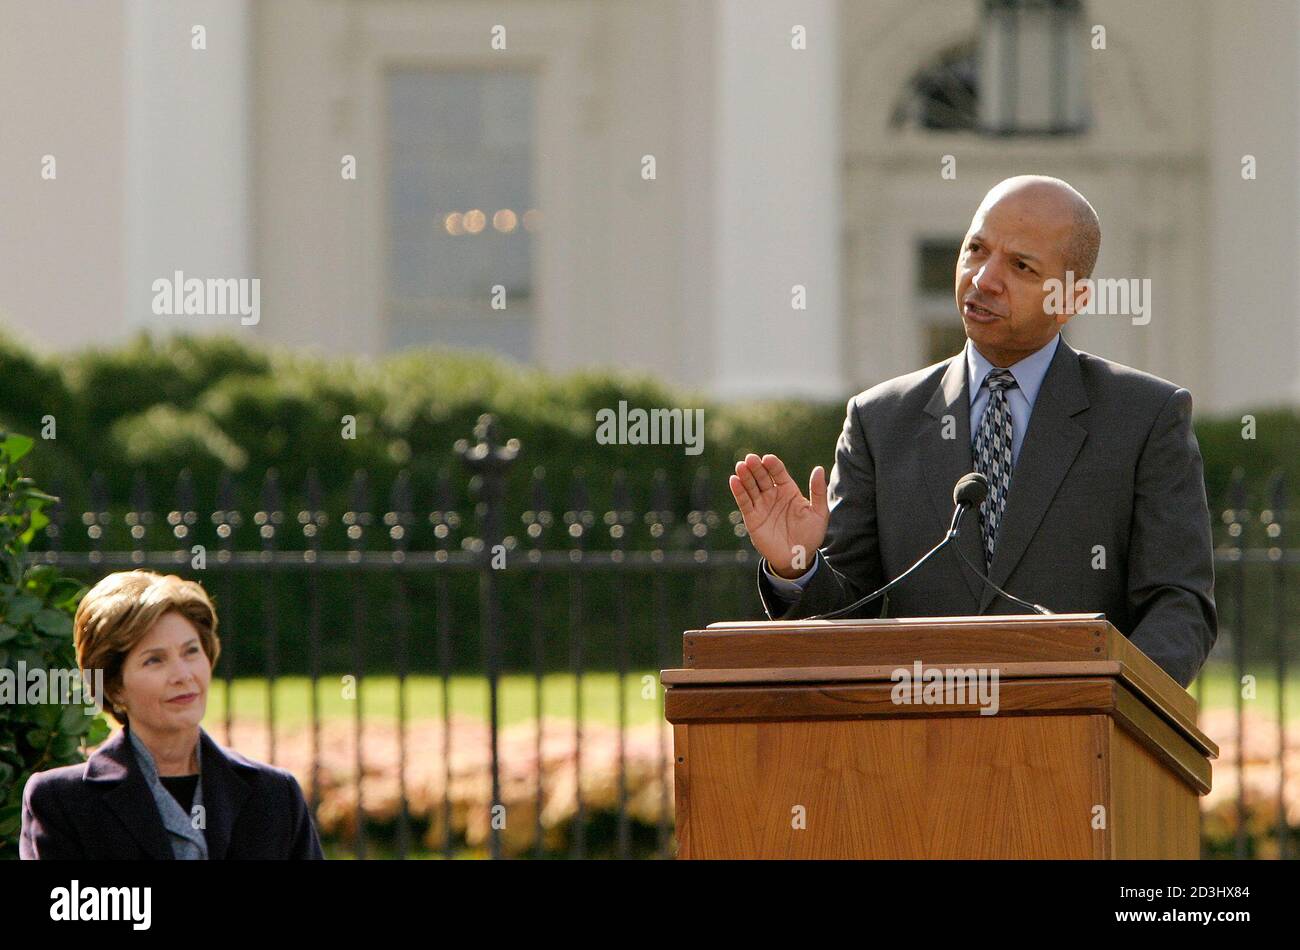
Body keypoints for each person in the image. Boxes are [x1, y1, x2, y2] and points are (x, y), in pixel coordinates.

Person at [729, 175, 1216, 688]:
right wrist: (797, 567)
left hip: (1078, 744)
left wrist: (1113, 702)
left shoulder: (1145, 417)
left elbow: (1178, 605)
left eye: (1021, 266)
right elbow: (851, 617)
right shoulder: (879, 421)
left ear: (1071, 299)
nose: (983, 279)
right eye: (976, 249)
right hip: (917, 744)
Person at [20, 570, 324, 859]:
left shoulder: (274, 795)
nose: (182, 675)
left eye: (191, 651)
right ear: (114, 687)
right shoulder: (62, 802)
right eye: (155, 660)